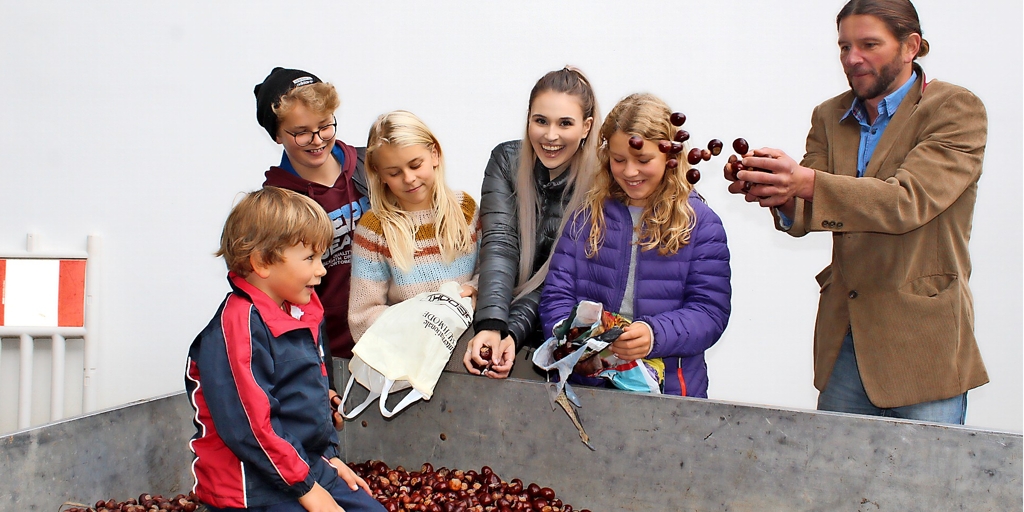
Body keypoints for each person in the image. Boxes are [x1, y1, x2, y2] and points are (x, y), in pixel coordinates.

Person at [725, 0, 988, 423]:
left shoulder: (955, 108)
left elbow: (907, 201)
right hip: (845, 339)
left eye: (869, 44)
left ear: (911, 46)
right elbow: (811, 209)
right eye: (844, 46)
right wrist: (776, 191)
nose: (852, 58)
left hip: (925, 345)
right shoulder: (829, 115)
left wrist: (803, 182)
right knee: (837, 466)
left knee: (925, 467)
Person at [184, 187, 384, 512]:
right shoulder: (239, 326)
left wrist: (329, 457)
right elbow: (250, 427)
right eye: (310, 259)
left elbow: (309, 399)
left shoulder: (302, 311)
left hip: (303, 465)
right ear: (262, 262)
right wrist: (309, 491)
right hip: (251, 487)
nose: (322, 269)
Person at [540, 93, 732, 398]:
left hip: (670, 395)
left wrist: (655, 335)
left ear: (670, 156)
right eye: (619, 160)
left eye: (643, 160)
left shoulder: (701, 224)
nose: (630, 171)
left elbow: (710, 312)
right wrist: (571, 335)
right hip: (588, 392)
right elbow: (556, 295)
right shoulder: (586, 217)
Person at [463, 67, 601, 378]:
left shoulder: (601, 182)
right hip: (500, 309)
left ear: (586, 126)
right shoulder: (506, 160)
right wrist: (491, 326)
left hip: (563, 333)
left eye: (565, 123)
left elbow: (559, 278)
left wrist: (511, 332)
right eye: (541, 121)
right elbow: (500, 244)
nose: (550, 135)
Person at [255, 67, 371, 360]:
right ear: (277, 135)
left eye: (325, 126)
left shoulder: (372, 165)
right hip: (326, 350)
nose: (317, 140)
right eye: (302, 133)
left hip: (389, 333)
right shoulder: (276, 204)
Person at [348, 110, 479, 342]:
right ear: (379, 174)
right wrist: (422, 322)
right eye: (394, 172)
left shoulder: (465, 209)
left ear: (434, 154)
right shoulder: (374, 230)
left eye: (416, 165)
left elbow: (491, 271)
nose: (409, 178)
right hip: (413, 356)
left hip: (472, 349)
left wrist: (477, 289)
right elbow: (362, 317)